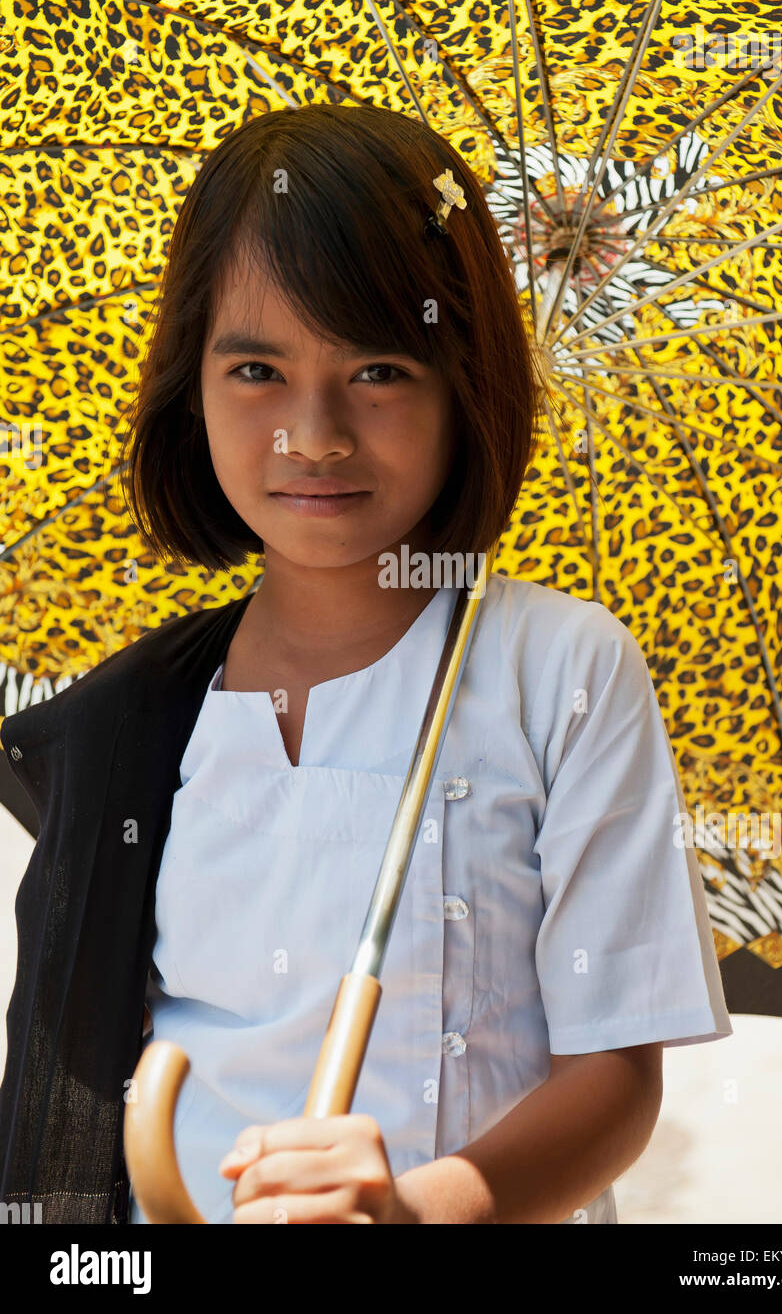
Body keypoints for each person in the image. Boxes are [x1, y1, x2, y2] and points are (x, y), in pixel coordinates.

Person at [0, 103, 731, 1225]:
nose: (315, 433)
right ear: (189, 384)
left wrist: (420, 1208)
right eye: (256, 369)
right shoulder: (143, 721)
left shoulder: (561, 672)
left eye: (380, 368)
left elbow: (617, 1077)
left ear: (466, 382)